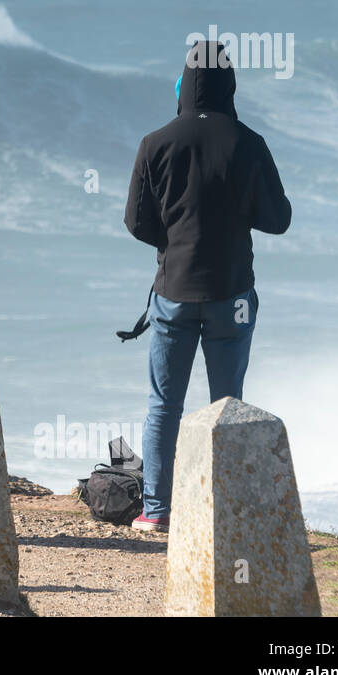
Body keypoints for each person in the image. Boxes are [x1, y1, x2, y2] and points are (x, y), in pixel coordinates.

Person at [123, 40, 291, 533]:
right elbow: (278, 219)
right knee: (228, 406)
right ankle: (227, 513)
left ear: (185, 82)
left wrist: (173, 241)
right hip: (231, 296)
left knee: (163, 407)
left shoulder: (154, 143)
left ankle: (156, 513)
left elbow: (135, 221)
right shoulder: (248, 142)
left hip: (173, 293)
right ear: (229, 83)